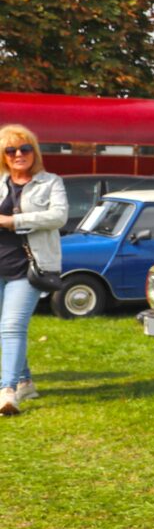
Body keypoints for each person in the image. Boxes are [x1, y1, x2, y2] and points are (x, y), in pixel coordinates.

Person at [0, 125, 67, 414]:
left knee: (13, 326)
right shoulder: (0, 182)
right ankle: (26, 381)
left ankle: (7, 390)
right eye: (11, 150)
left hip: (28, 268)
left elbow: (59, 216)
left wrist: (13, 221)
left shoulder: (50, 182)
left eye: (24, 149)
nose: (18, 155)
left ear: (34, 152)